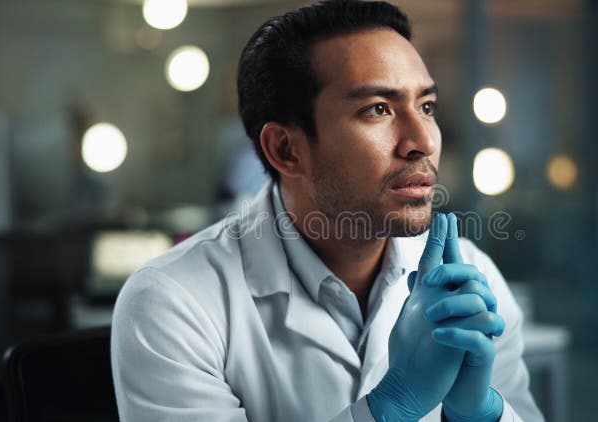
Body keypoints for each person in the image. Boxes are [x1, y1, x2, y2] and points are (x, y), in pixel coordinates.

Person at [110, 1, 544, 421]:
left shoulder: (471, 276)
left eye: (425, 106)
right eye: (378, 109)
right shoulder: (171, 301)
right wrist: (392, 407)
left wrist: (480, 415)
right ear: (286, 149)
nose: (423, 141)